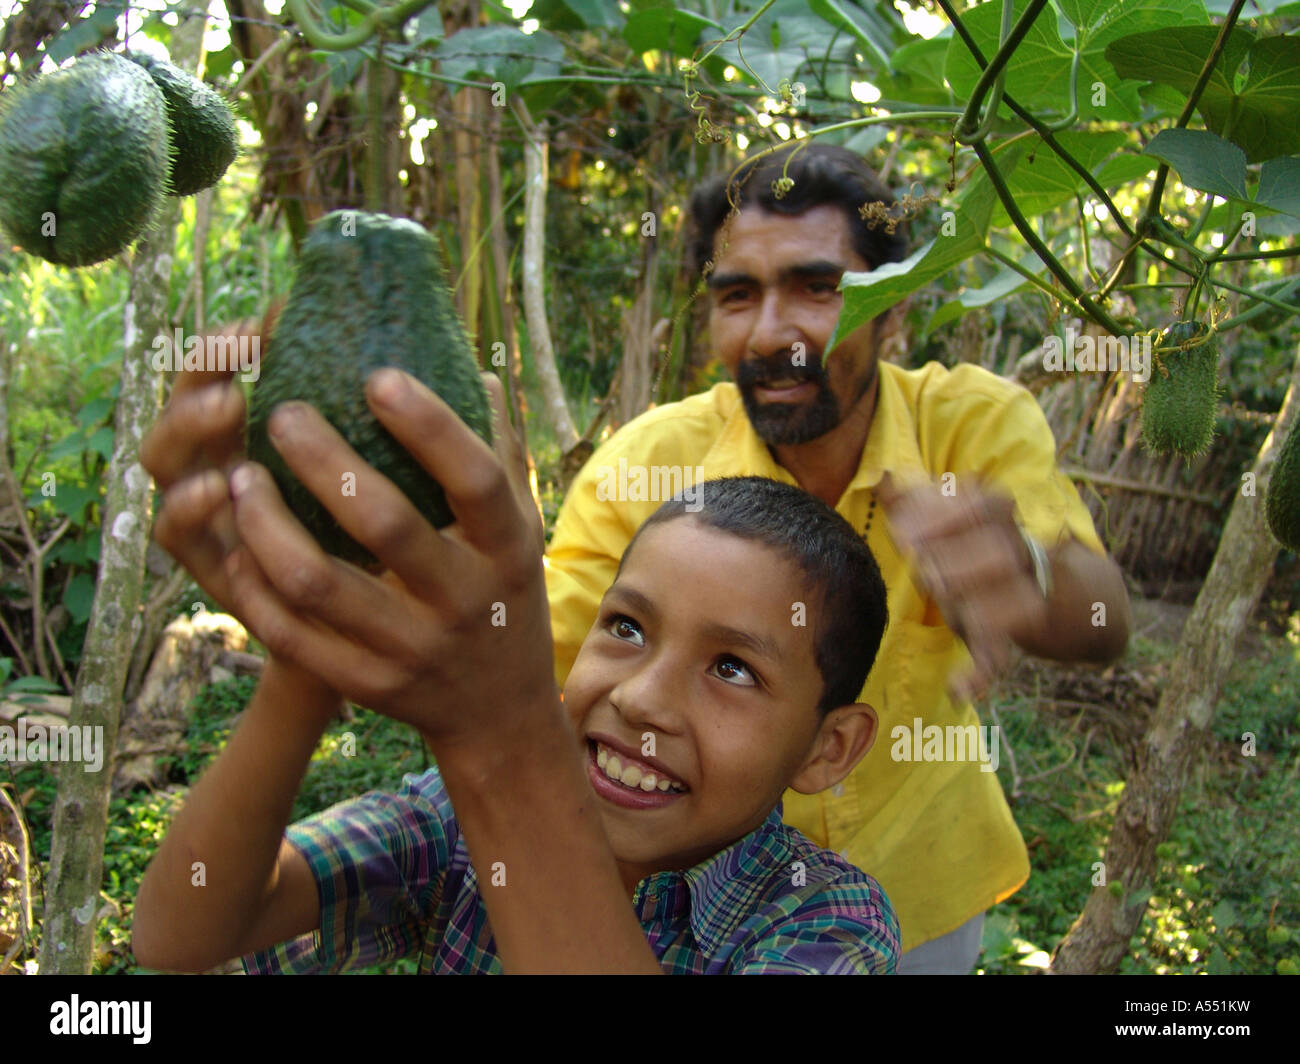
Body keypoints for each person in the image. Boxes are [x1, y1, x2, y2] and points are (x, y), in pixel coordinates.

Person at [544, 141, 1134, 973]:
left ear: (893, 311)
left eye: (820, 289)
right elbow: (546, 646)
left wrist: (1031, 574)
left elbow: (1102, 617)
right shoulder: (651, 465)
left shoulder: (968, 426)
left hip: (920, 892)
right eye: (738, 295)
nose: (772, 332)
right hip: (708, 918)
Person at [130, 352, 898, 973]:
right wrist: (311, 648)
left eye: (733, 669)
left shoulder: (826, 920)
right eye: (627, 627)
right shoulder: (451, 820)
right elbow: (184, 933)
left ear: (828, 747)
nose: (641, 698)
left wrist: (497, 736)